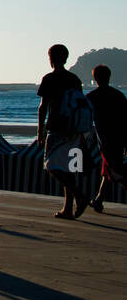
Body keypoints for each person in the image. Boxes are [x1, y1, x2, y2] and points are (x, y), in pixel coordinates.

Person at [37, 44, 90, 219]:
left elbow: (43, 106)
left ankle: (79, 196)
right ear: (66, 58)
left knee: (52, 166)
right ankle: (67, 208)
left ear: (50, 58)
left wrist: (40, 130)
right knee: (69, 168)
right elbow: (80, 103)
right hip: (75, 129)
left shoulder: (49, 79)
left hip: (57, 127)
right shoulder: (74, 79)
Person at [87, 64, 125, 213]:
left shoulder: (91, 97)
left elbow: (85, 120)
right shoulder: (118, 95)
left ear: (94, 78)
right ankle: (99, 200)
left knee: (115, 170)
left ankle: (98, 200)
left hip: (105, 138)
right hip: (120, 137)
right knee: (109, 168)